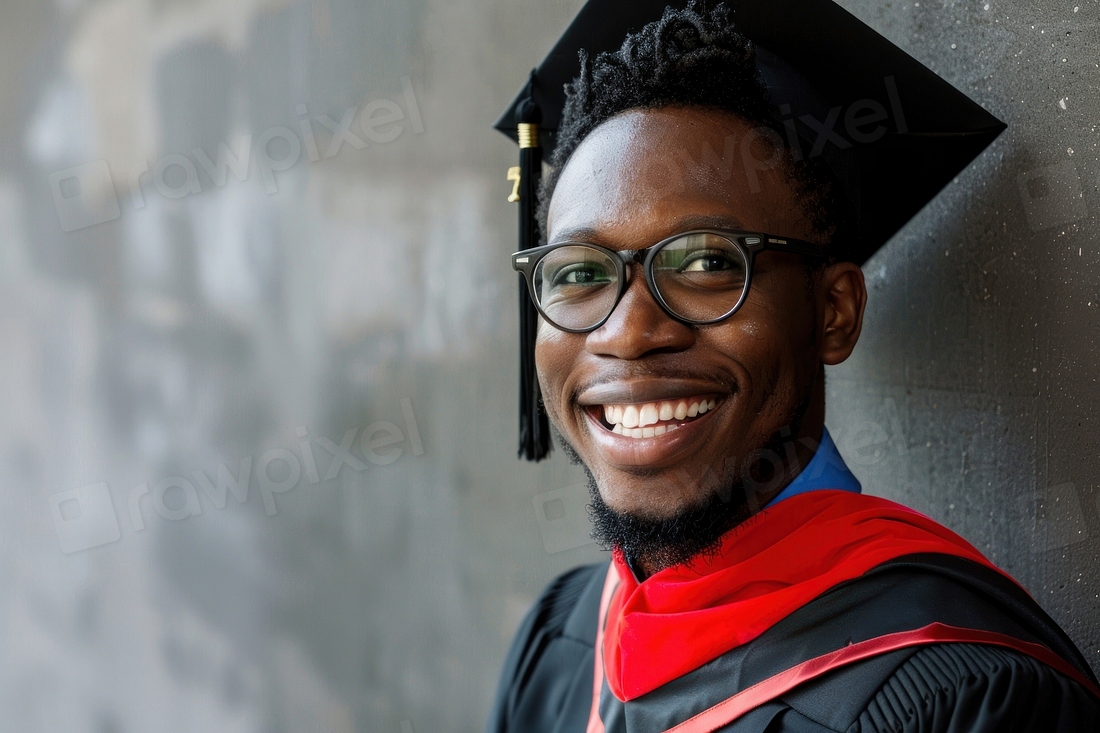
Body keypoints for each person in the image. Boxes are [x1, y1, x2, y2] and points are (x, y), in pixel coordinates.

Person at [488, 2, 1100, 731]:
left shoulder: (963, 694)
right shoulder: (562, 640)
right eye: (579, 272)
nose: (628, 332)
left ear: (833, 311)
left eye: (709, 262)